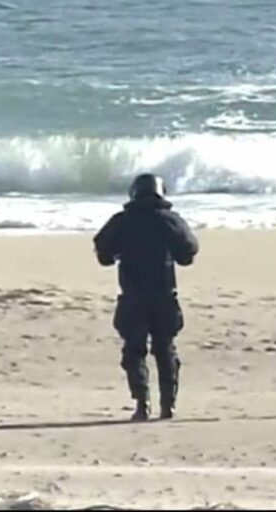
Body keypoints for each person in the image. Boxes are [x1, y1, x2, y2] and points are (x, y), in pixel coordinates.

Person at [93, 173, 199, 421]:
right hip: (163, 296)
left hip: (132, 297)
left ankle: (142, 403)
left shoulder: (122, 221)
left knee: (134, 351)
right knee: (165, 350)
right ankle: (168, 405)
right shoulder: (170, 220)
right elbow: (189, 251)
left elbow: (102, 252)